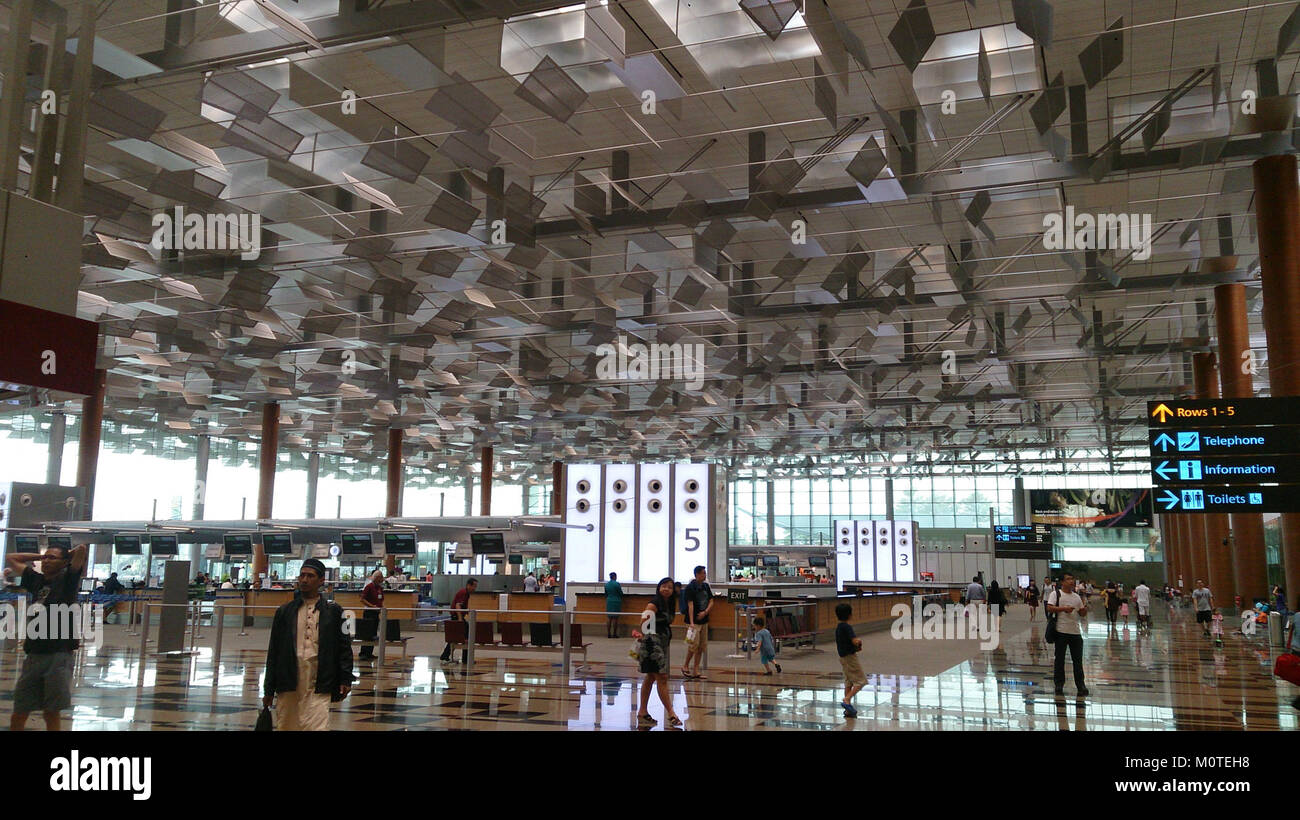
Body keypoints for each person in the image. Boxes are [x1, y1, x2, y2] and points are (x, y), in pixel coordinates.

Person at [262, 559, 353, 731]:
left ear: (321, 581)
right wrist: (268, 689)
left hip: (320, 679)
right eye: (302, 575)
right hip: (289, 677)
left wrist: (346, 678)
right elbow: (274, 651)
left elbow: (344, 647)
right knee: (287, 724)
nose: (304, 580)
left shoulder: (335, 612)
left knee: (318, 725)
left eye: (310, 576)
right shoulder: (284, 612)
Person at [7, 542, 89, 731]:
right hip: (34, 655)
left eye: (52, 558)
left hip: (58, 655)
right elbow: (12, 558)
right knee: (20, 709)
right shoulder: (35, 580)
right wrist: (41, 556)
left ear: (64, 562)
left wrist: (66, 554)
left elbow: (82, 549)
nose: (46, 561)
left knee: (51, 711)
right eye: (45, 558)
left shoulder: (68, 578)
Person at [635, 577, 682, 728]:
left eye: (670, 587)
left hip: (662, 643)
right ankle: (671, 713)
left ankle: (642, 711)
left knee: (650, 677)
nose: (666, 589)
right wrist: (644, 634)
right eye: (664, 586)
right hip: (652, 644)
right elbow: (643, 621)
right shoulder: (654, 602)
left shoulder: (669, 604)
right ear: (659, 587)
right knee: (661, 677)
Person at [1045, 573, 1089, 697]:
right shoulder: (1056, 594)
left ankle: (1080, 685)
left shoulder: (1076, 597)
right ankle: (1059, 685)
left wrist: (1084, 609)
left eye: (1072, 579)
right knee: (1059, 660)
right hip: (1061, 632)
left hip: (1075, 633)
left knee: (1078, 661)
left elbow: (1082, 614)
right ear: (1062, 582)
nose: (1071, 581)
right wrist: (1063, 608)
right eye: (1068, 579)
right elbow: (1049, 608)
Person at [681, 566, 714, 679]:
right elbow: (690, 605)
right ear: (697, 574)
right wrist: (691, 622)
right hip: (694, 621)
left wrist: (705, 612)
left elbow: (711, 600)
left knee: (701, 646)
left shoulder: (705, 586)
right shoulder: (690, 588)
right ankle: (685, 665)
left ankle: (696, 669)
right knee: (693, 644)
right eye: (703, 573)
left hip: (704, 620)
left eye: (705, 573)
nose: (704, 575)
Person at [835, 603, 865, 717]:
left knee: (849, 681)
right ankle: (847, 699)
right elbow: (854, 641)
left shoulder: (838, 627)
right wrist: (859, 641)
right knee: (861, 681)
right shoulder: (847, 627)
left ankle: (848, 710)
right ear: (850, 615)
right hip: (850, 657)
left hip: (842, 657)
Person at [440, 578, 477, 663]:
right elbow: (457, 605)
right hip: (457, 617)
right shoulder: (464, 593)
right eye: (474, 586)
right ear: (469, 585)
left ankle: (445, 655)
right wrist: (460, 620)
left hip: (457, 616)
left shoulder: (466, 593)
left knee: (455, 638)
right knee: (467, 636)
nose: (475, 588)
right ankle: (465, 659)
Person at [358, 570, 385, 661]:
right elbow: (362, 599)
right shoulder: (369, 587)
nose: (382, 579)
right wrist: (372, 606)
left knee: (373, 633)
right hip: (369, 612)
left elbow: (381, 599)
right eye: (381, 577)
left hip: (376, 612)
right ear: (376, 578)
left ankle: (369, 652)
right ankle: (363, 653)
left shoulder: (380, 588)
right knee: (367, 633)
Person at [604, 572, 624, 639]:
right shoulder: (617, 584)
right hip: (616, 601)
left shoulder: (606, 585)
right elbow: (621, 593)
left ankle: (608, 634)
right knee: (615, 618)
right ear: (615, 576)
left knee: (609, 618)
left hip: (609, 601)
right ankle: (614, 634)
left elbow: (606, 594)